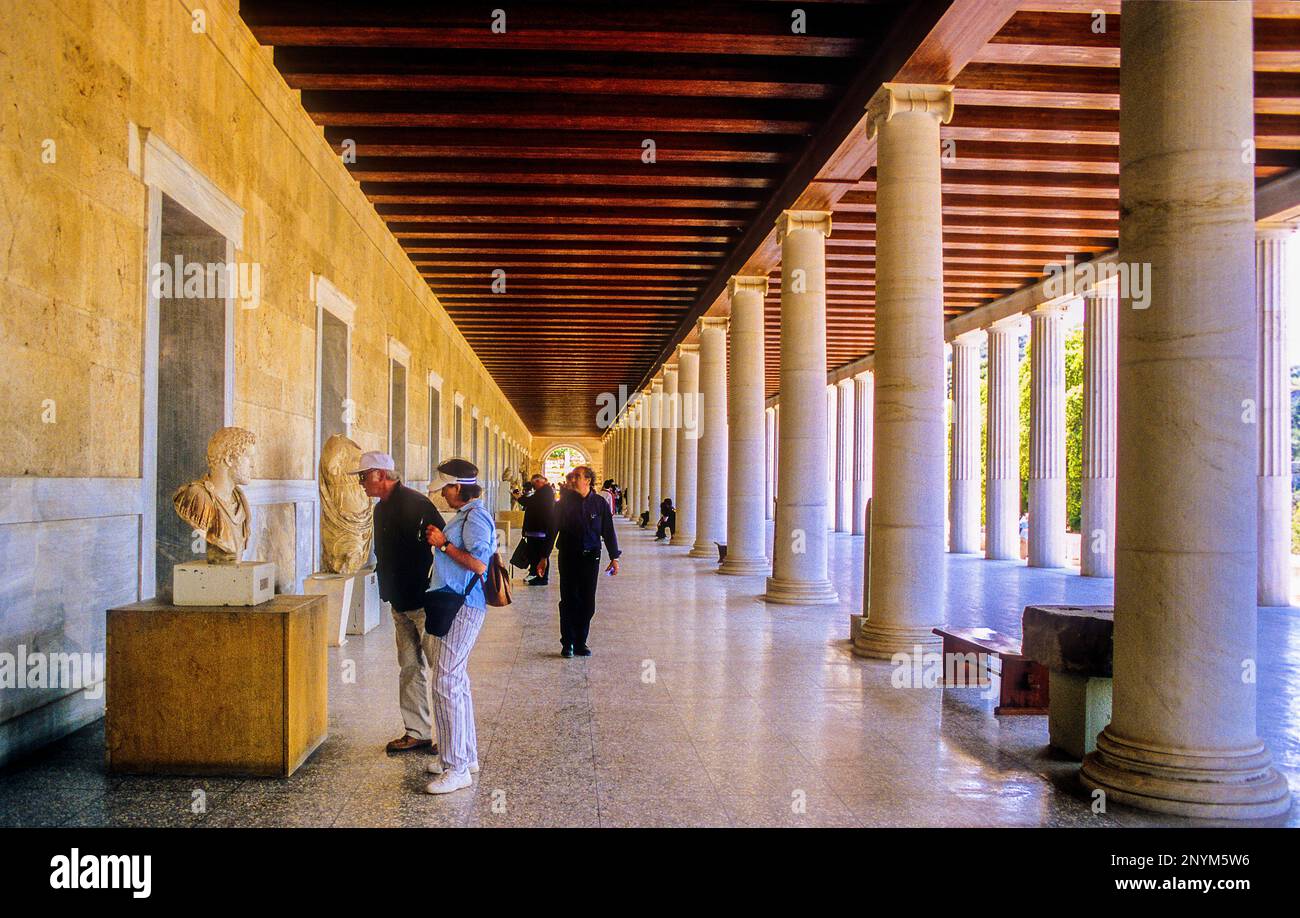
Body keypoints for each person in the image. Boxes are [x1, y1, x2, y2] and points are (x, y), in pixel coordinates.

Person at [354, 450, 446, 755]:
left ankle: (447, 737)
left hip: (423, 602)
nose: (361, 483)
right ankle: (417, 731)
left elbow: (444, 544)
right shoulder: (380, 509)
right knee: (409, 667)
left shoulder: (416, 504)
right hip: (399, 601)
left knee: (441, 670)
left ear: (381, 474)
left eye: (363, 476)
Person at [421, 457, 495, 794]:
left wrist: (443, 544)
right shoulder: (466, 515)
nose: (442, 496)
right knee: (457, 680)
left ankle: (456, 768)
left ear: (458, 488)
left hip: (463, 605)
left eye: (445, 490)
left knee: (445, 681)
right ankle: (465, 754)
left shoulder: (476, 517)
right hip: (455, 603)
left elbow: (479, 564)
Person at [555, 464, 620, 658]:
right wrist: (542, 557)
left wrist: (614, 557)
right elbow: (552, 530)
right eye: (572, 476)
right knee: (568, 599)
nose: (572, 480)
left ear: (588, 480)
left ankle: (580, 641)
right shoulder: (562, 504)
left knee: (587, 602)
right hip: (568, 556)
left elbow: (608, 531)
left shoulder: (599, 503)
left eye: (577, 476)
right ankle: (567, 643)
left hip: (591, 556)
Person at [517, 473, 557, 585]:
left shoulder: (545, 492)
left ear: (541, 481)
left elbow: (529, 502)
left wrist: (519, 498)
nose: (534, 486)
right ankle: (535, 573)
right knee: (534, 555)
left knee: (540, 555)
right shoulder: (542, 492)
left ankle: (541, 577)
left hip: (540, 530)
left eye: (535, 483)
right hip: (535, 531)